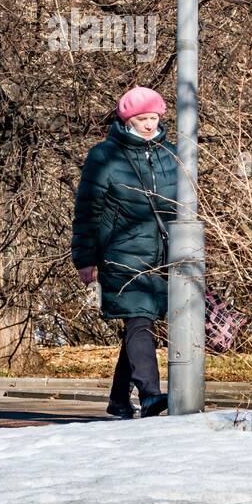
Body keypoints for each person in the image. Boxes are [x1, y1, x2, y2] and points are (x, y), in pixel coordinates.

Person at [71, 86, 179, 419]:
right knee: (139, 318)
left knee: (140, 322)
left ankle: (119, 399)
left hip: (162, 254)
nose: (149, 124)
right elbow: (88, 210)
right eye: (142, 119)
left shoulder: (171, 153)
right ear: (127, 119)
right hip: (120, 252)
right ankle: (150, 394)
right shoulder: (104, 156)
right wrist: (85, 258)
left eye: (154, 118)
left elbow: (183, 204)